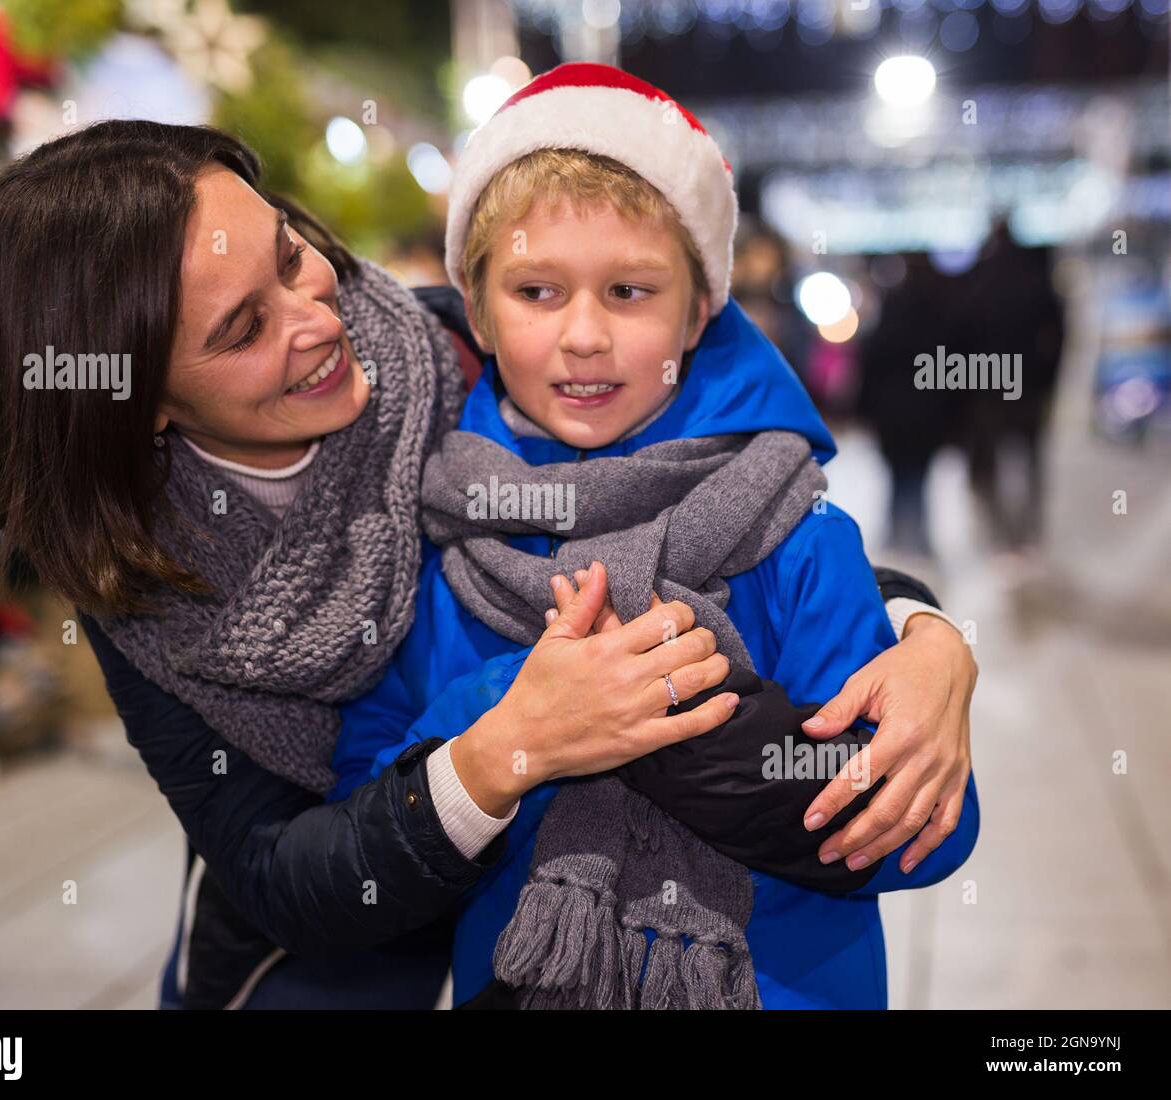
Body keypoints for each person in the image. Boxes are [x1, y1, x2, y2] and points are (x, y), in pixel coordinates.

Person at [0, 116, 974, 1009]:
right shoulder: (143, 578)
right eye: (244, 327)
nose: (319, 317)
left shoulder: (462, 356)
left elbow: (724, 479)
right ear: (141, 401)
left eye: (291, 252)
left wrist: (922, 628)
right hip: (341, 955)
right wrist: (514, 735)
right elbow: (276, 865)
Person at [333, 64, 979, 1009]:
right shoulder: (443, 539)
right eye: (537, 291)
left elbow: (926, 827)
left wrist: (666, 728)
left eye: (630, 292)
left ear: (698, 309)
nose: (584, 335)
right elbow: (369, 818)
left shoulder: (797, 531)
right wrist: (533, 711)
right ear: (476, 311)